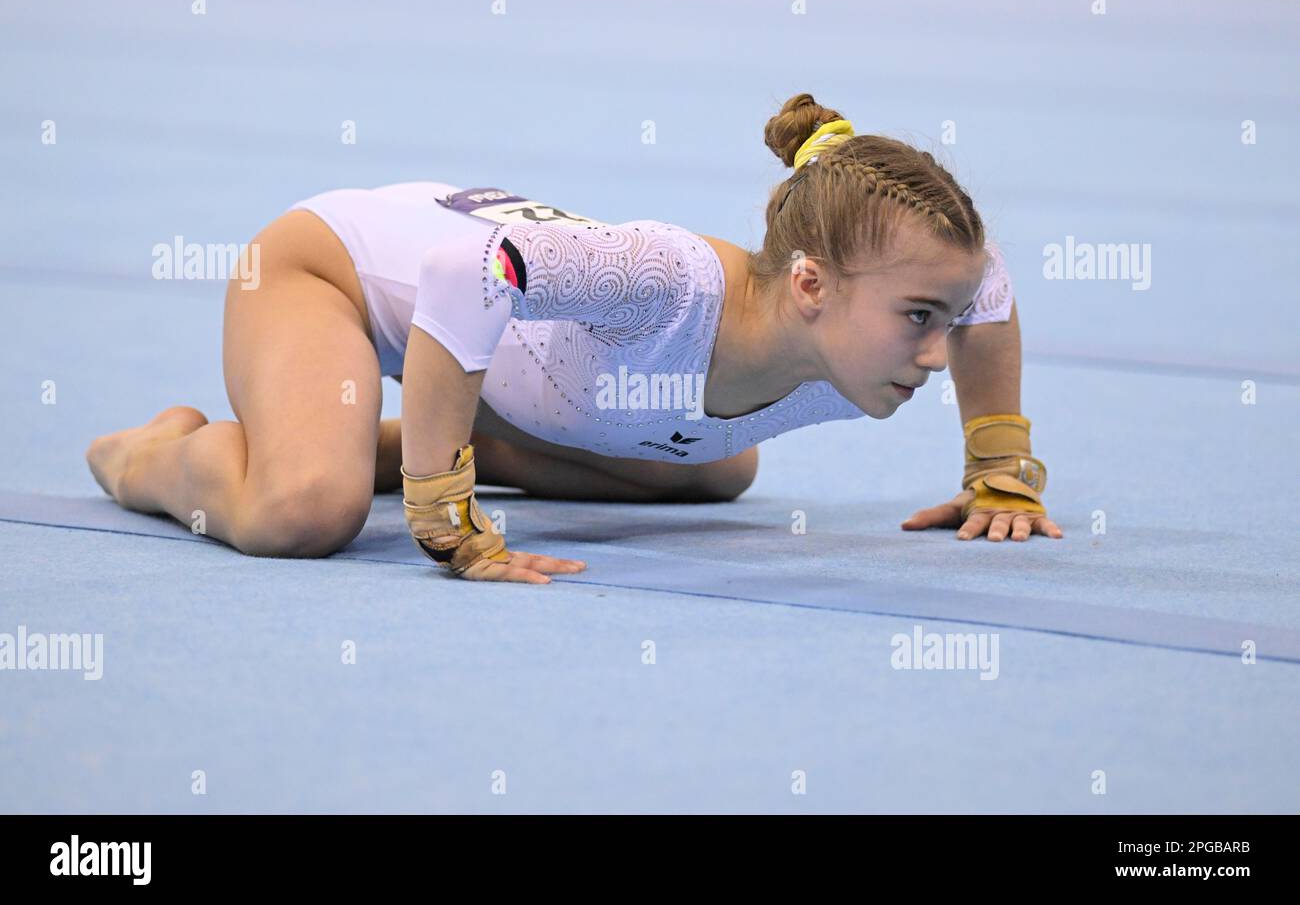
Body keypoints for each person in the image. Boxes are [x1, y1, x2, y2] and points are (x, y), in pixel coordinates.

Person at [86, 92, 1061, 584]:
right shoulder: (665, 279)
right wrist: (442, 510)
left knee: (718, 468)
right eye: (918, 321)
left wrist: (999, 464)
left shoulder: (876, 308)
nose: (937, 353)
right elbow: (461, 275)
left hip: (498, 357)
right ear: (808, 283)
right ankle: (156, 454)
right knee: (304, 509)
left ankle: (419, 443)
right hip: (333, 270)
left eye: (945, 317)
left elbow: (989, 285)